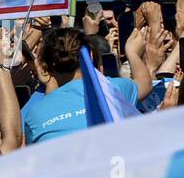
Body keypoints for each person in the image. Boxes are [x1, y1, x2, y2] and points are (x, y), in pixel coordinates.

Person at [21, 27, 151, 144]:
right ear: (90, 55)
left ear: (45, 66)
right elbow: (145, 83)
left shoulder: (34, 113)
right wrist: (133, 53)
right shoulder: (111, 88)